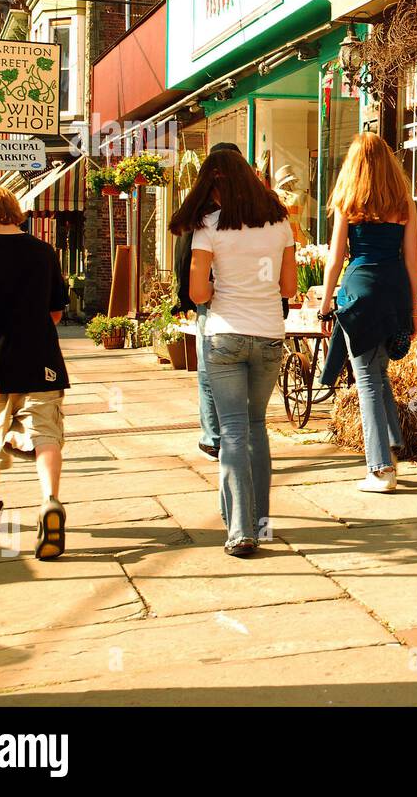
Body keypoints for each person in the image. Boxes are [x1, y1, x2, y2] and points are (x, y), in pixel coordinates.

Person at [169, 142, 296, 556]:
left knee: (234, 433)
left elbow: (198, 291)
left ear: (215, 186)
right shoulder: (280, 223)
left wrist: (223, 285)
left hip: (224, 336)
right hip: (269, 336)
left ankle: (240, 530)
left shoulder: (209, 226)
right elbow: (289, 288)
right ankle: (261, 524)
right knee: (258, 427)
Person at [0, 185, 69, 560]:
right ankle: (50, 500)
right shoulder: (45, 251)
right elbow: (56, 312)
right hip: (42, 358)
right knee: (46, 433)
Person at [318, 132, 417, 493]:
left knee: (366, 381)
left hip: (359, 291)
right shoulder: (404, 203)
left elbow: (334, 261)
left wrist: (324, 302)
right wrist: (415, 310)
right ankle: (392, 444)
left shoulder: (348, 202)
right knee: (378, 375)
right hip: (394, 292)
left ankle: (379, 470)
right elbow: (413, 262)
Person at [170, 224, 220, 461]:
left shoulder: (202, 217)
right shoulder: (254, 209)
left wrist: (182, 297)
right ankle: (232, 438)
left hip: (211, 296)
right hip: (252, 301)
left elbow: (184, 256)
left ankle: (213, 439)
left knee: (208, 370)